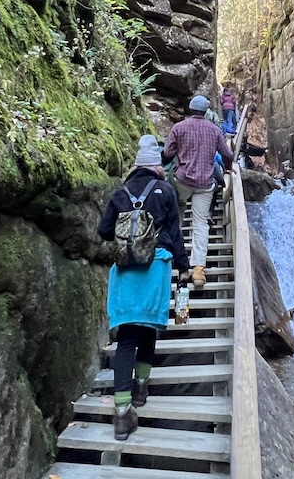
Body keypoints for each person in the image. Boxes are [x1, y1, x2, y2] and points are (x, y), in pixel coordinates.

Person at [97, 134, 191, 441]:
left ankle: (122, 412)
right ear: (157, 166)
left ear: (138, 164)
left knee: (126, 338)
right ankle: (140, 390)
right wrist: (184, 267)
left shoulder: (120, 192)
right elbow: (175, 233)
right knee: (148, 331)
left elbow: (104, 230)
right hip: (156, 268)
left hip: (125, 272)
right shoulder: (165, 190)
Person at [162, 95, 234, 289]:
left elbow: (167, 153)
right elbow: (227, 154)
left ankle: (172, 258)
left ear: (190, 108)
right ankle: (199, 270)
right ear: (206, 111)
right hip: (205, 183)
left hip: (182, 181)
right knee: (201, 224)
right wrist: (228, 167)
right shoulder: (214, 130)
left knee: (176, 214)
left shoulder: (179, 127)